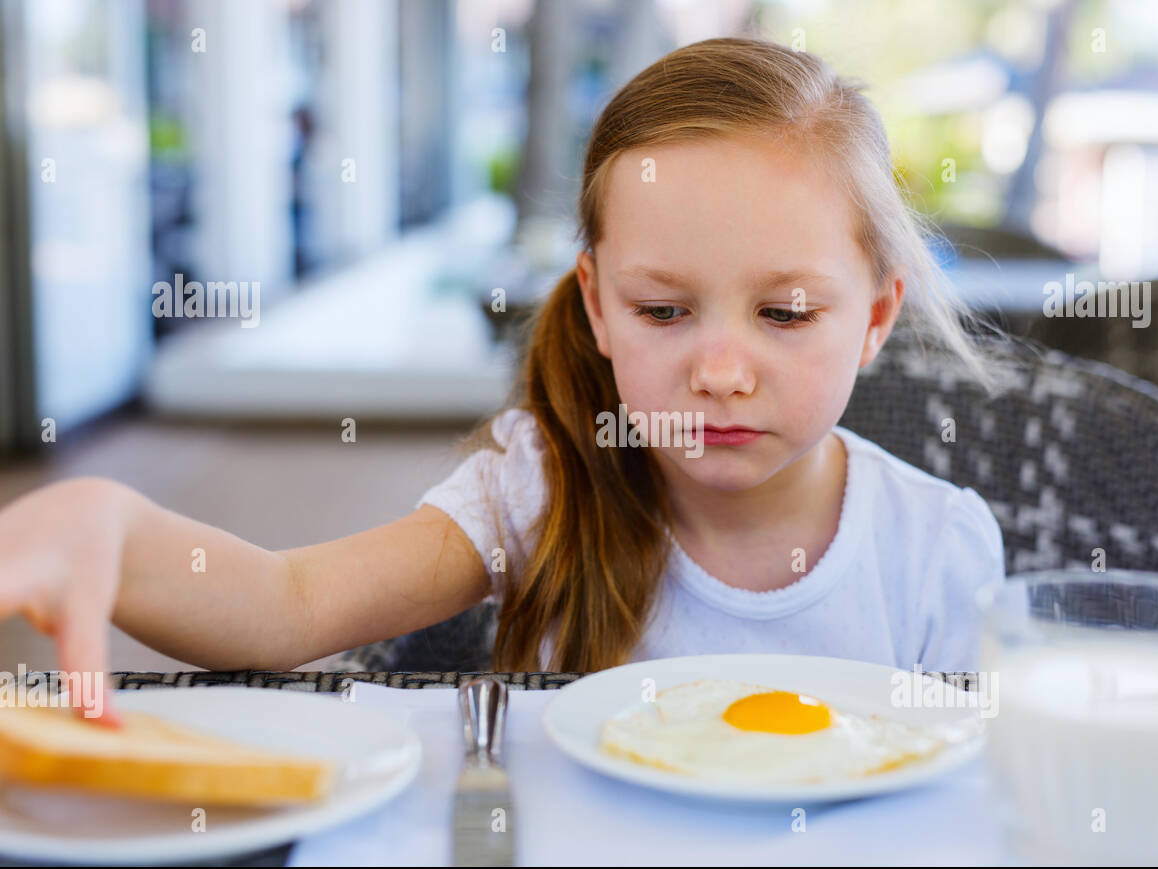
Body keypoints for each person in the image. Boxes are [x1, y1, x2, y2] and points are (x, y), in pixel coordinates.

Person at [0, 37, 1018, 726]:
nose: (718, 372)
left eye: (784, 314)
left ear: (875, 317)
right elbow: (285, 604)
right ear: (597, 306)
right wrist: (116, 528)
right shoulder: (539, 486)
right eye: (662, 311)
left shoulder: (936, 548)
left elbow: (970, 805)